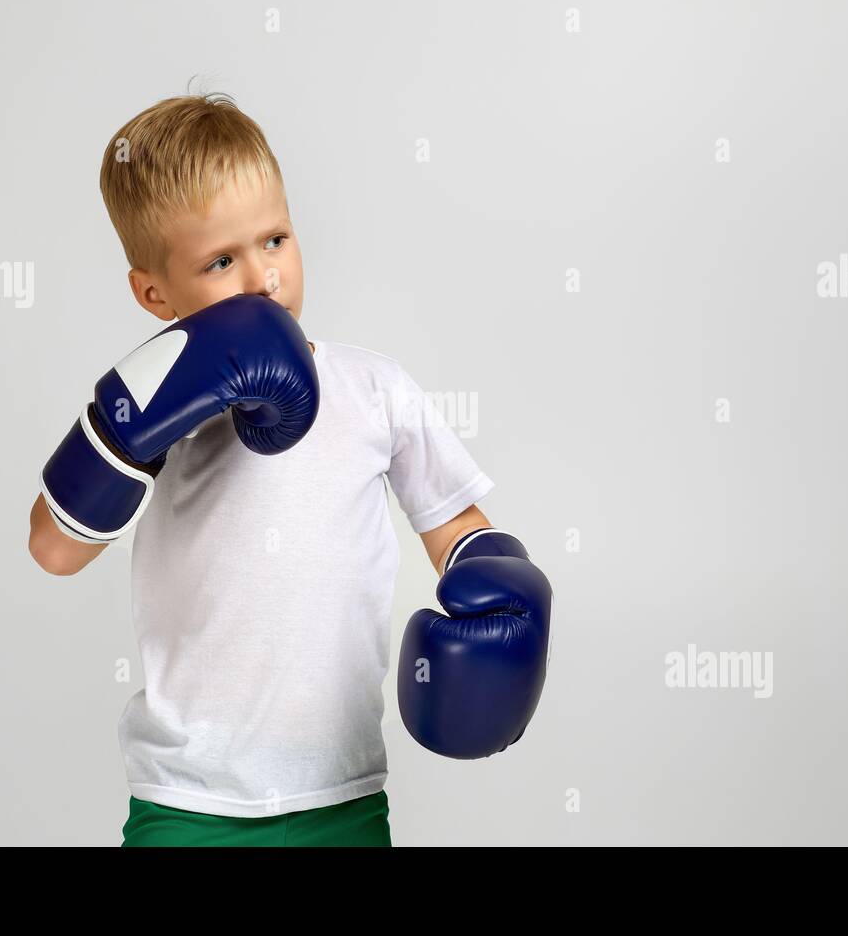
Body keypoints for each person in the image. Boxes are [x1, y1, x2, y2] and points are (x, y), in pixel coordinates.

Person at [27, 93, 552, 846]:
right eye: (220, 260)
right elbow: (54, 548)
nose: (262, 278)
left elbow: (457, 527)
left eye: (274, 239)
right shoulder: (162, 415)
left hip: (340, 793)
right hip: (185, 801)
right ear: (154, 293)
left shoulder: (374, 391)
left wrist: (501, 596)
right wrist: (135, 426)